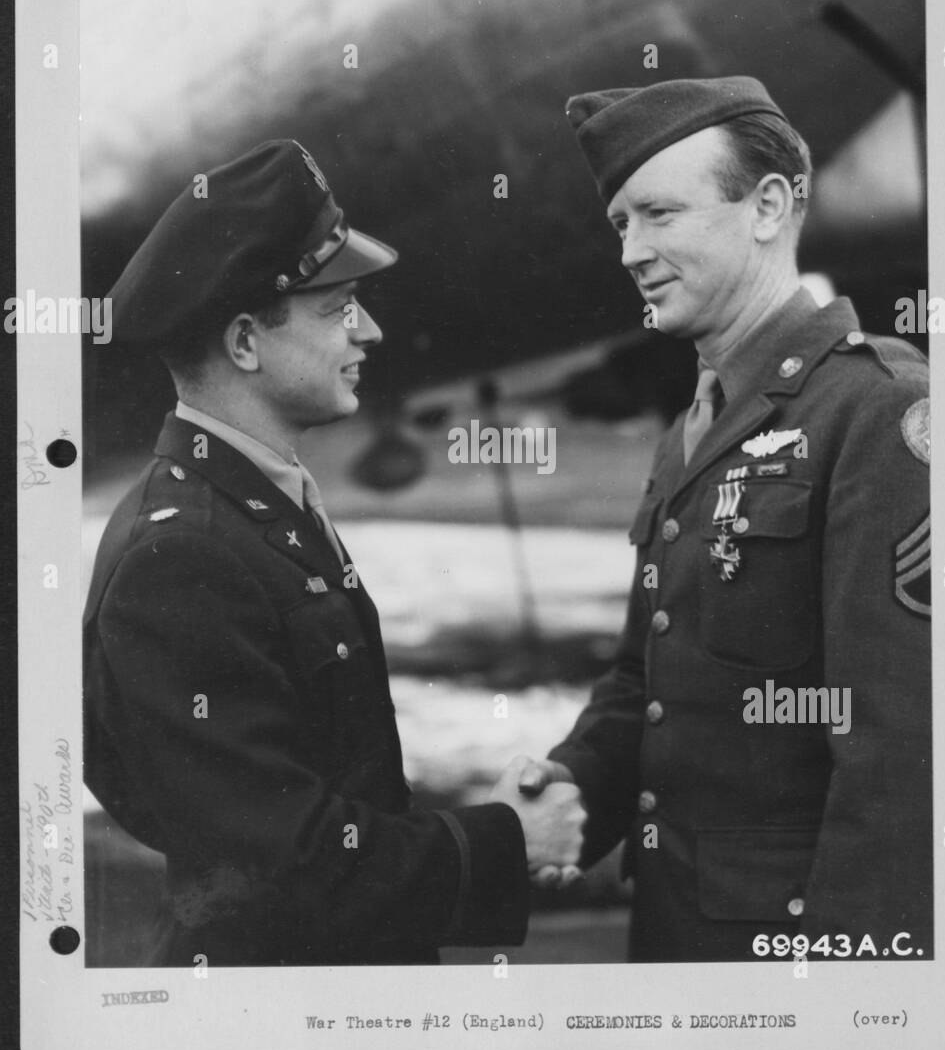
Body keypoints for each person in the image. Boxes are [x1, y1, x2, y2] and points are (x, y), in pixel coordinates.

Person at [84, 138, 584, 967]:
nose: (372, 330)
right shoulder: (182, 557)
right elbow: (275, 865)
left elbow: (323, 788)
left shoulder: (255, 510)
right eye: (337, 308)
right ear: (245, 342)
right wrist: (500, 843)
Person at [520, 77, 932, 963]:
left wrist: (849, 1004)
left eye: (659, 214)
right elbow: (649, 679)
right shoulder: (692, 432)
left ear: (768, 207)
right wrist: (572, 786)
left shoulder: (877, 413)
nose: (631, 250)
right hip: (680, 942)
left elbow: (903, 755)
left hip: (794, 966)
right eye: (621, 223)